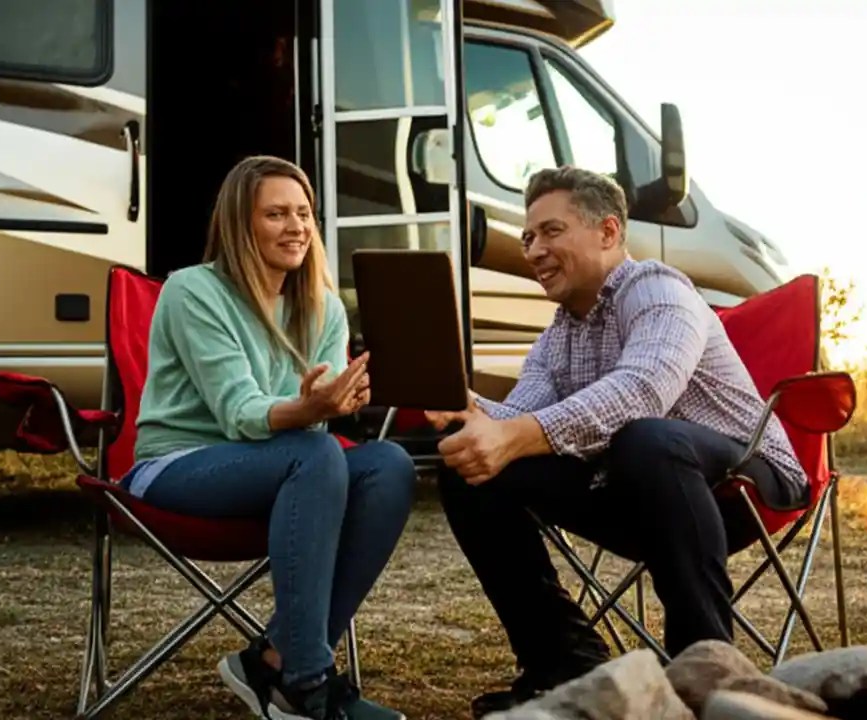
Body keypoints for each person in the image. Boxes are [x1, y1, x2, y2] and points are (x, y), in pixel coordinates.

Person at [425, 166, 810, 717]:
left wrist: (515, 433)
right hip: (637, 489)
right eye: (529, 237)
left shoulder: (659, 290)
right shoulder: (559, 335)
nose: (534, 251)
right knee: (471, 467)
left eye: (551, 231)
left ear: (608, 231)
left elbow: (644, 390)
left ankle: (704, 673)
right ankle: (564, 664)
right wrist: (470, 410)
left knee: (647, 440)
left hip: (744, 485)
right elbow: (521, 417)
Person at [123, 155, 416, 720]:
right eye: (276, 214)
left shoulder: (324, 308)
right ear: (241, 224)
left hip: (282, 466)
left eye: (304, 213)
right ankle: (306, 684)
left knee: (389, 466)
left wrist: (336, 401)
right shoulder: (192, 290)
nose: (296, 227)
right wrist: (310, 410)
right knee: (314, 452)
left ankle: (274, 659)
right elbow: (238, 410)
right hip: (178, 464)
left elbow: (315, 421)